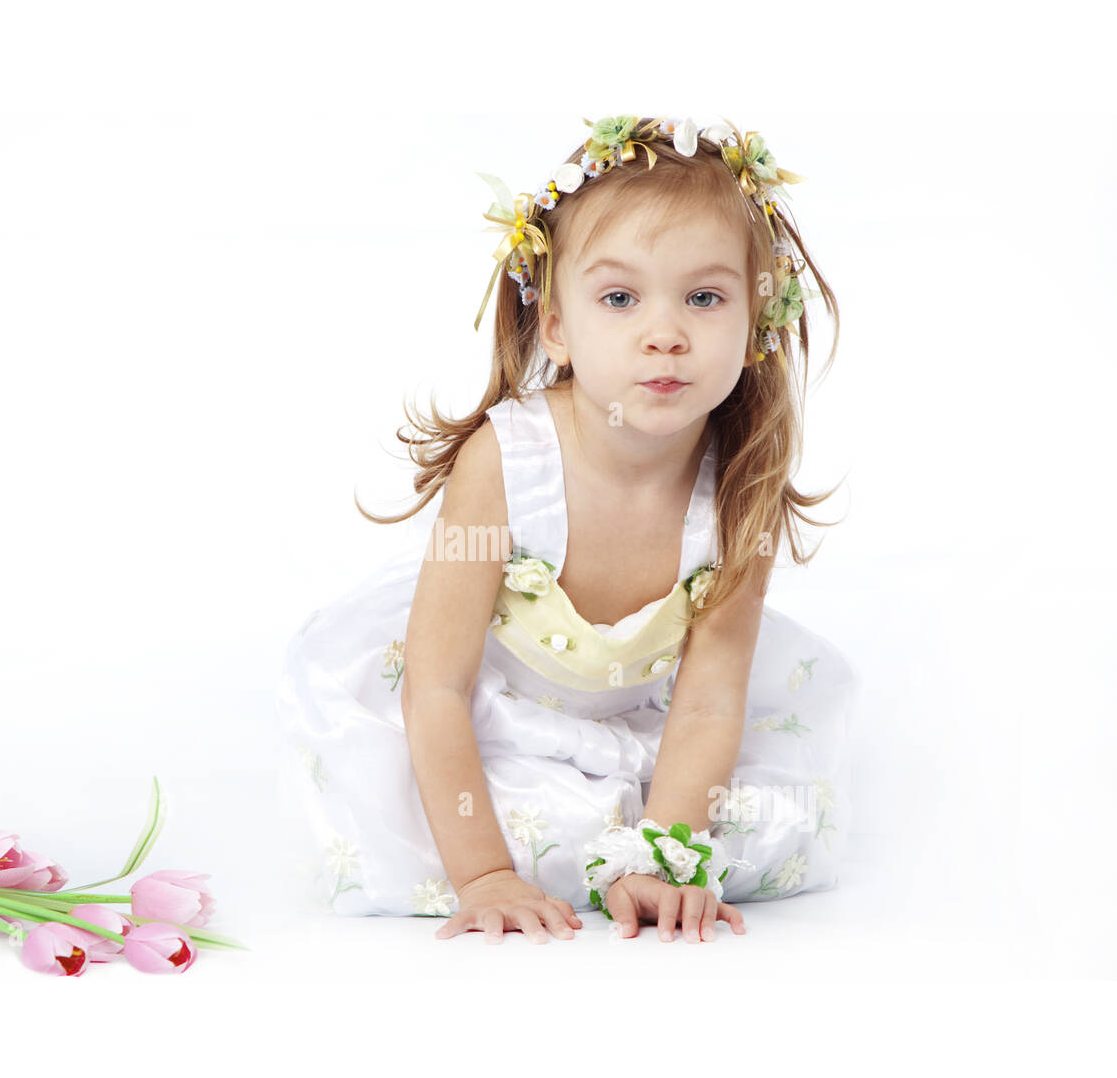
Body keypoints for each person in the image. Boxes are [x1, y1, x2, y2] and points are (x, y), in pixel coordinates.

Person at [275, 113, 860, 945]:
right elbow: (437, 687)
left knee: (761, 822)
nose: (666, 332)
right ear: (556, 324)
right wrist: (484, 874)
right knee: (493, 828)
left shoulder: (740, 486)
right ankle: (513, 849)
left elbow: (706, 705)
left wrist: (665, 857)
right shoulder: (506, 463)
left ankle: (629, 860)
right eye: (620, 298)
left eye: (705, 296)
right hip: (485, 709)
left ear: (757, 320)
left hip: (643, 715)